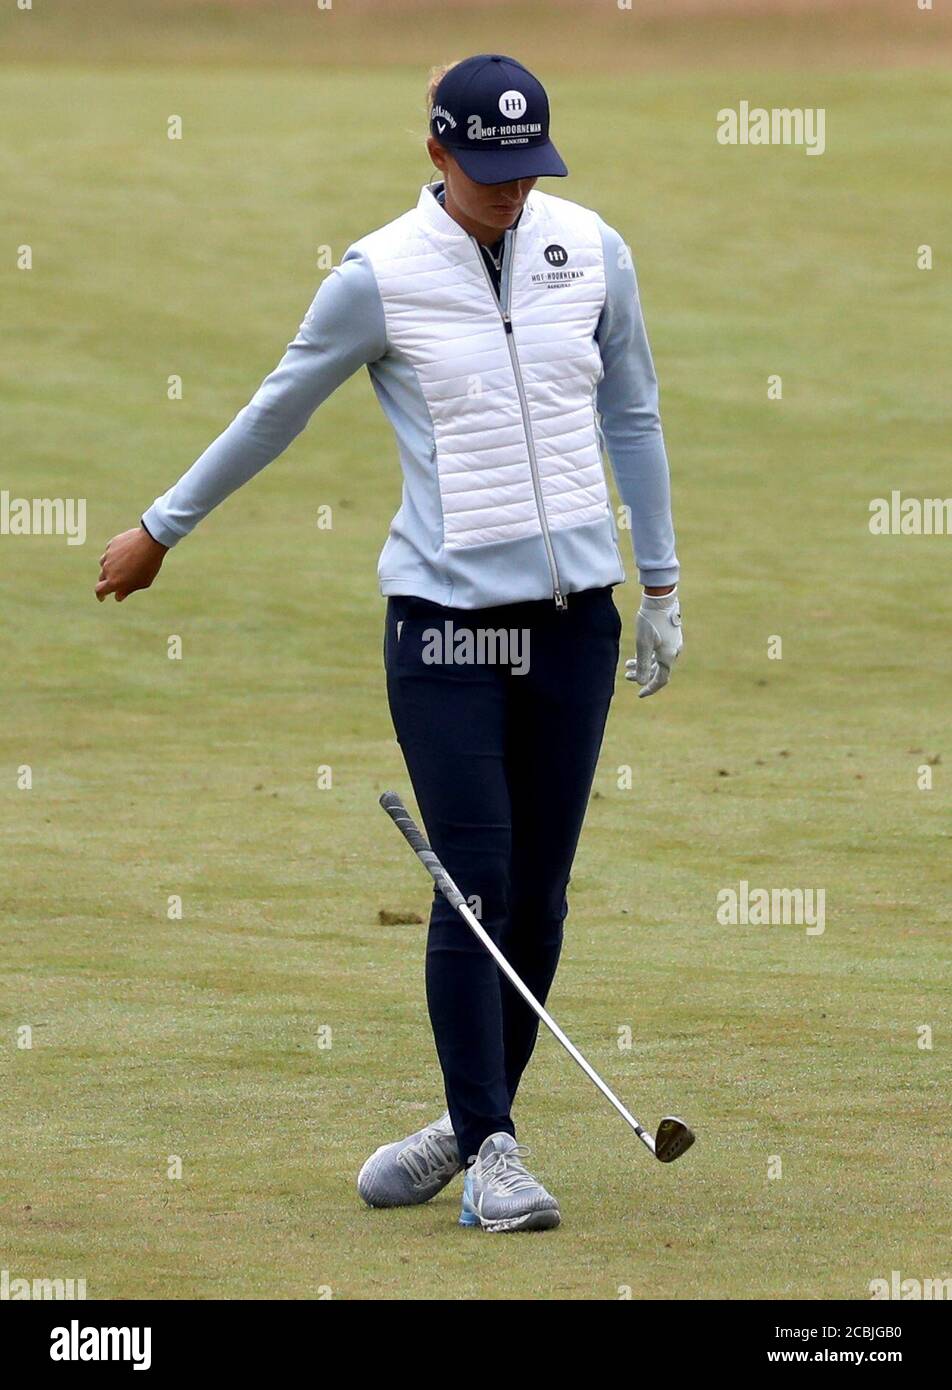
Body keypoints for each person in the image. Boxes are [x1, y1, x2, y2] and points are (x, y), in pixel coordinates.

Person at [96, 53, 682, 1234]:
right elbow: (277, 408)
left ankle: (472, 1128)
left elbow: (632, 408)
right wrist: (162, 527)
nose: (510, 191)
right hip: (447, 631)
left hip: (574, 624)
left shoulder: (592, 250)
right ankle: (498, 1152)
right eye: (486, 171)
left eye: (527, 170)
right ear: (435, 155)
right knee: (477, 882)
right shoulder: (377, 277)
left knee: (542, 898)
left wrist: (658, 579)